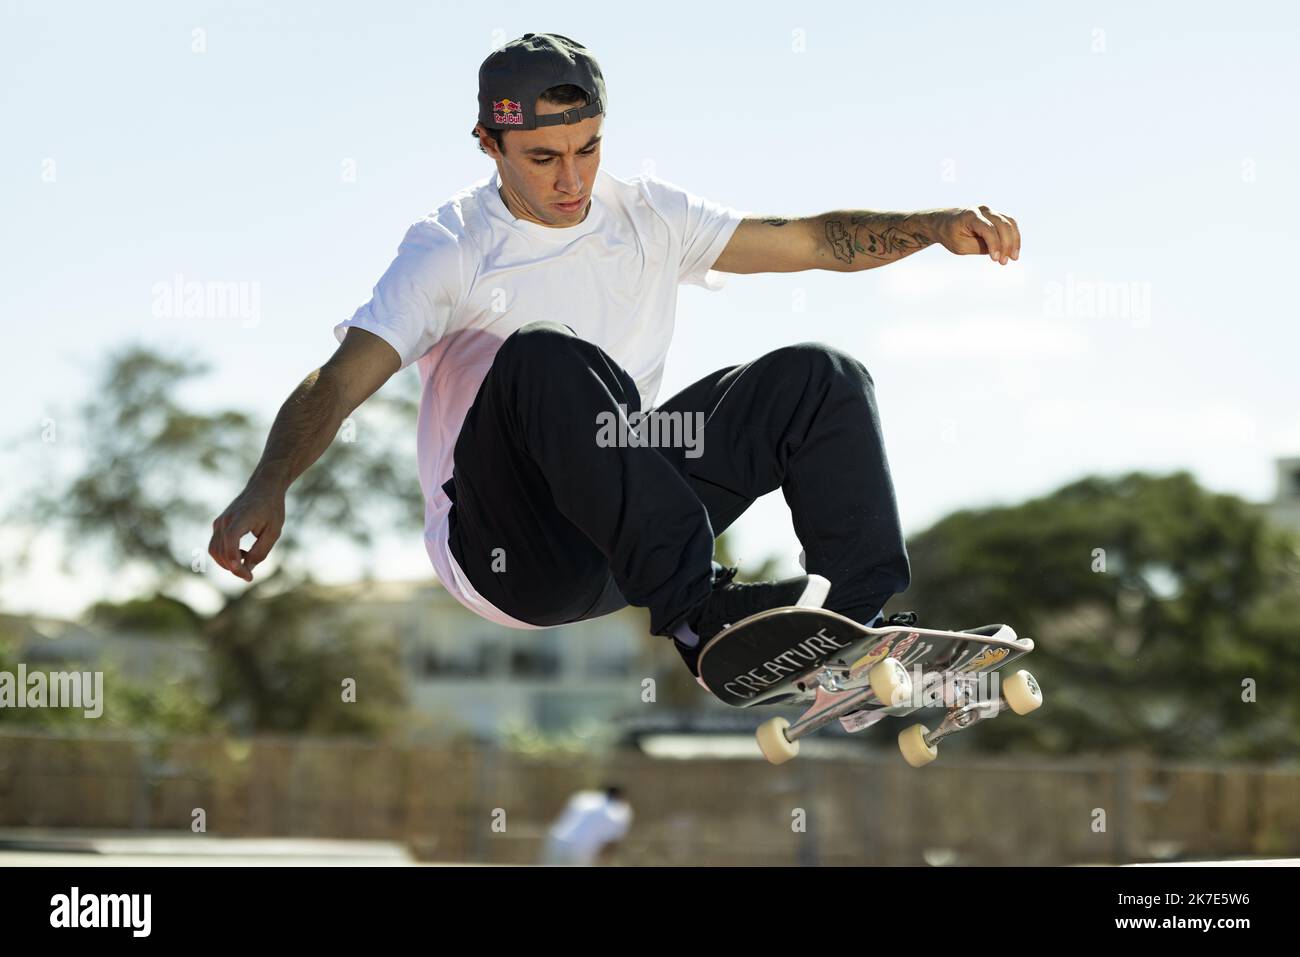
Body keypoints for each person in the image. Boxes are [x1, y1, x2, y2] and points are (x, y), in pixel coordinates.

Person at [208, 32, 1022, 677]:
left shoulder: (650, 216)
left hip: (625, 529)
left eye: (587, 148)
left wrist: (933, 227)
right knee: (541, 357)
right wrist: (268, 479)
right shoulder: (450, 248)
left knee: (822, 378)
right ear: (490, 144)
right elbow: (343, 377)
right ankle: (701, 617)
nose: (572, 179)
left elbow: (808, 239)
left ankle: (852, 628)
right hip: (510, 553)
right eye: (543, 158)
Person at [540, 785, 632, 867]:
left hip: (558, 840)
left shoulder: (583, 798)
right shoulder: (620, 812)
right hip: (583, 848)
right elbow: (613, 841)